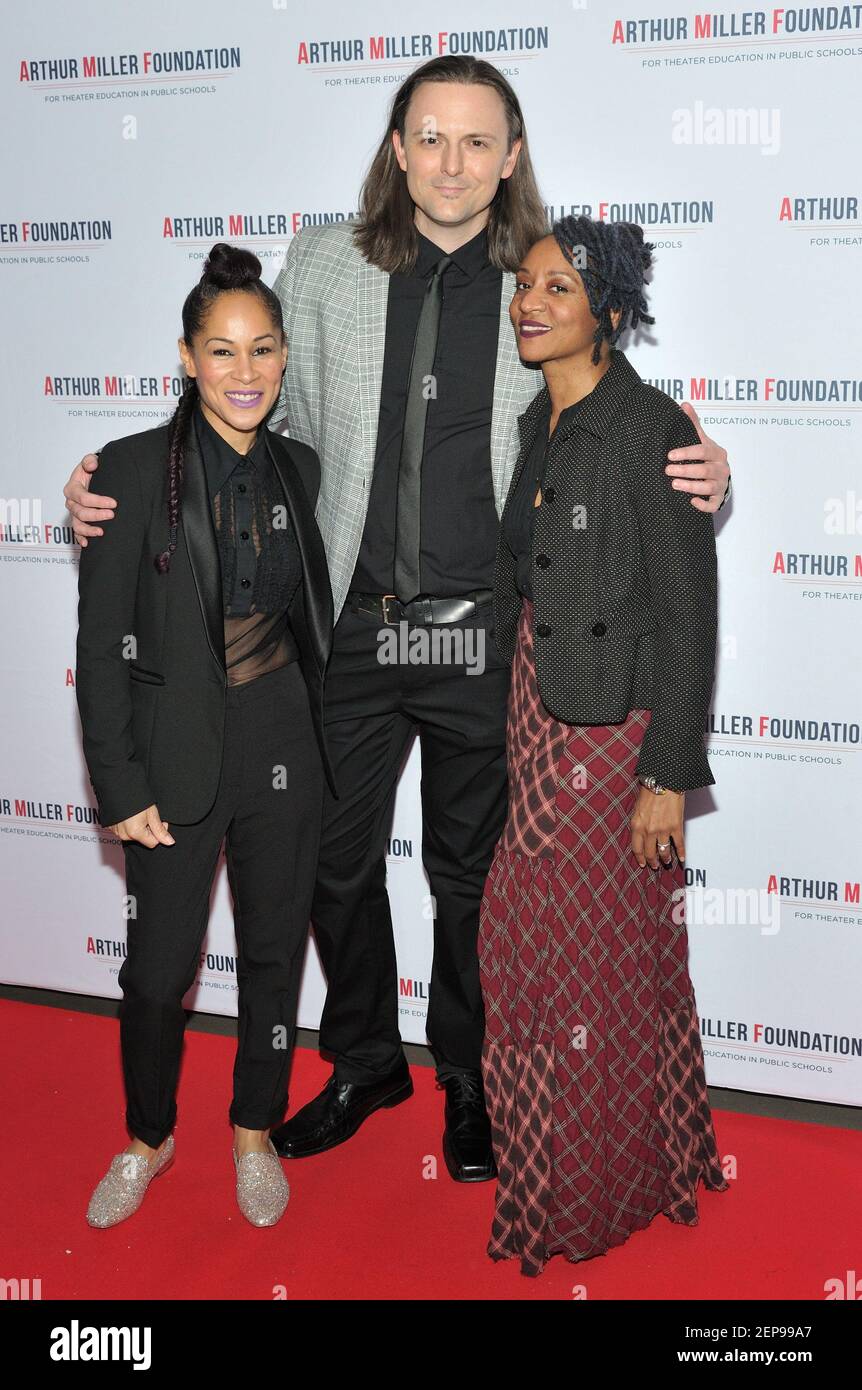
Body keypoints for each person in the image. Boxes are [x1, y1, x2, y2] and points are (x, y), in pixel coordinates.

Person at [63, 56, 731, 1186]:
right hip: (351, 629)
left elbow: (613, 408)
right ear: (395, 147)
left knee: (471, 874)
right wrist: (117, 482)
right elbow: (250, 407)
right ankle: (367, 1057)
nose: (452, 164)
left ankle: (465, 1079)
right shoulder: (326, 261)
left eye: (478, 142)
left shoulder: (539, 276)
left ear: (511, 156)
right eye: (429, 138)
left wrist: (707, 463)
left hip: (486, 634)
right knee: (331, 860)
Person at [478, 214, 728, 1276]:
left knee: (579, 970)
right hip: (539, 713)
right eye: (525, 285)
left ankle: (586, 1196)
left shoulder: (648, 429)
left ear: (608, 315)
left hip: (612, 742)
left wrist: (666, 776)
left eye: (557, 292)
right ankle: (609, 1166)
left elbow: (690, 616)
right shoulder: (542, 418)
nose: (529, 304)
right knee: (556, 960)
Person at [75, 244, 335, 1229]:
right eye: (220, 350)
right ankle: (148, 1135)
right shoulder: (131, 472)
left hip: (285, 742)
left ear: (281, 358)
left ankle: (254, 1130)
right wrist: (120, 784)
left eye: (261, 349)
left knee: (272, 956)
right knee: (154, 972)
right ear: (185, 357)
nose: (244, 371)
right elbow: (100, 648)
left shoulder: (301, 468)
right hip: (173, 753)